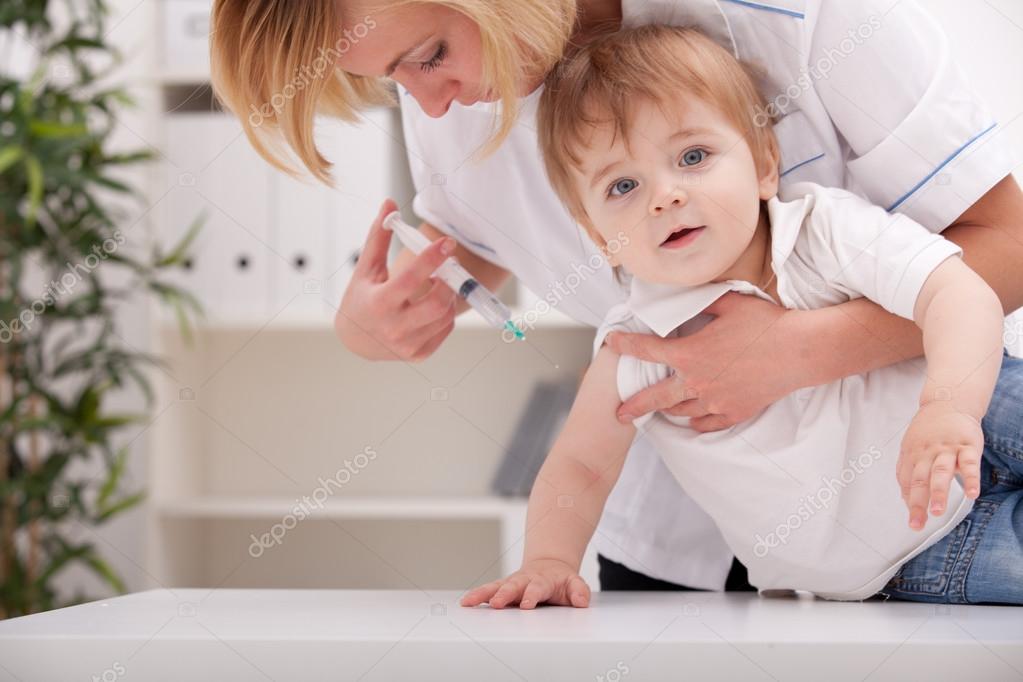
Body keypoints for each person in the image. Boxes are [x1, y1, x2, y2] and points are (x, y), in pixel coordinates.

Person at [209, 0, 1023, 594]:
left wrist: (794, 353)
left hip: (946, 415)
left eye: (428, 55)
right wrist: (377, 323)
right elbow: (476, 249)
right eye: (394, 79)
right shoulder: (452, 89)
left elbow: (1007, 245)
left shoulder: (809, 24)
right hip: (725, 543)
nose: (429, 103)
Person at [462, 24, 1022, 607]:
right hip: (911, 551)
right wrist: (549, 561)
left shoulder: (822, 228)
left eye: (693, 157)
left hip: (978, 410)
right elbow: (580, 465)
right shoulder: (636, 347)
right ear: (600, 238)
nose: (665, 195)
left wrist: (949, 407)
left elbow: (959, 293)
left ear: (763, 165)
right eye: (623, 186)